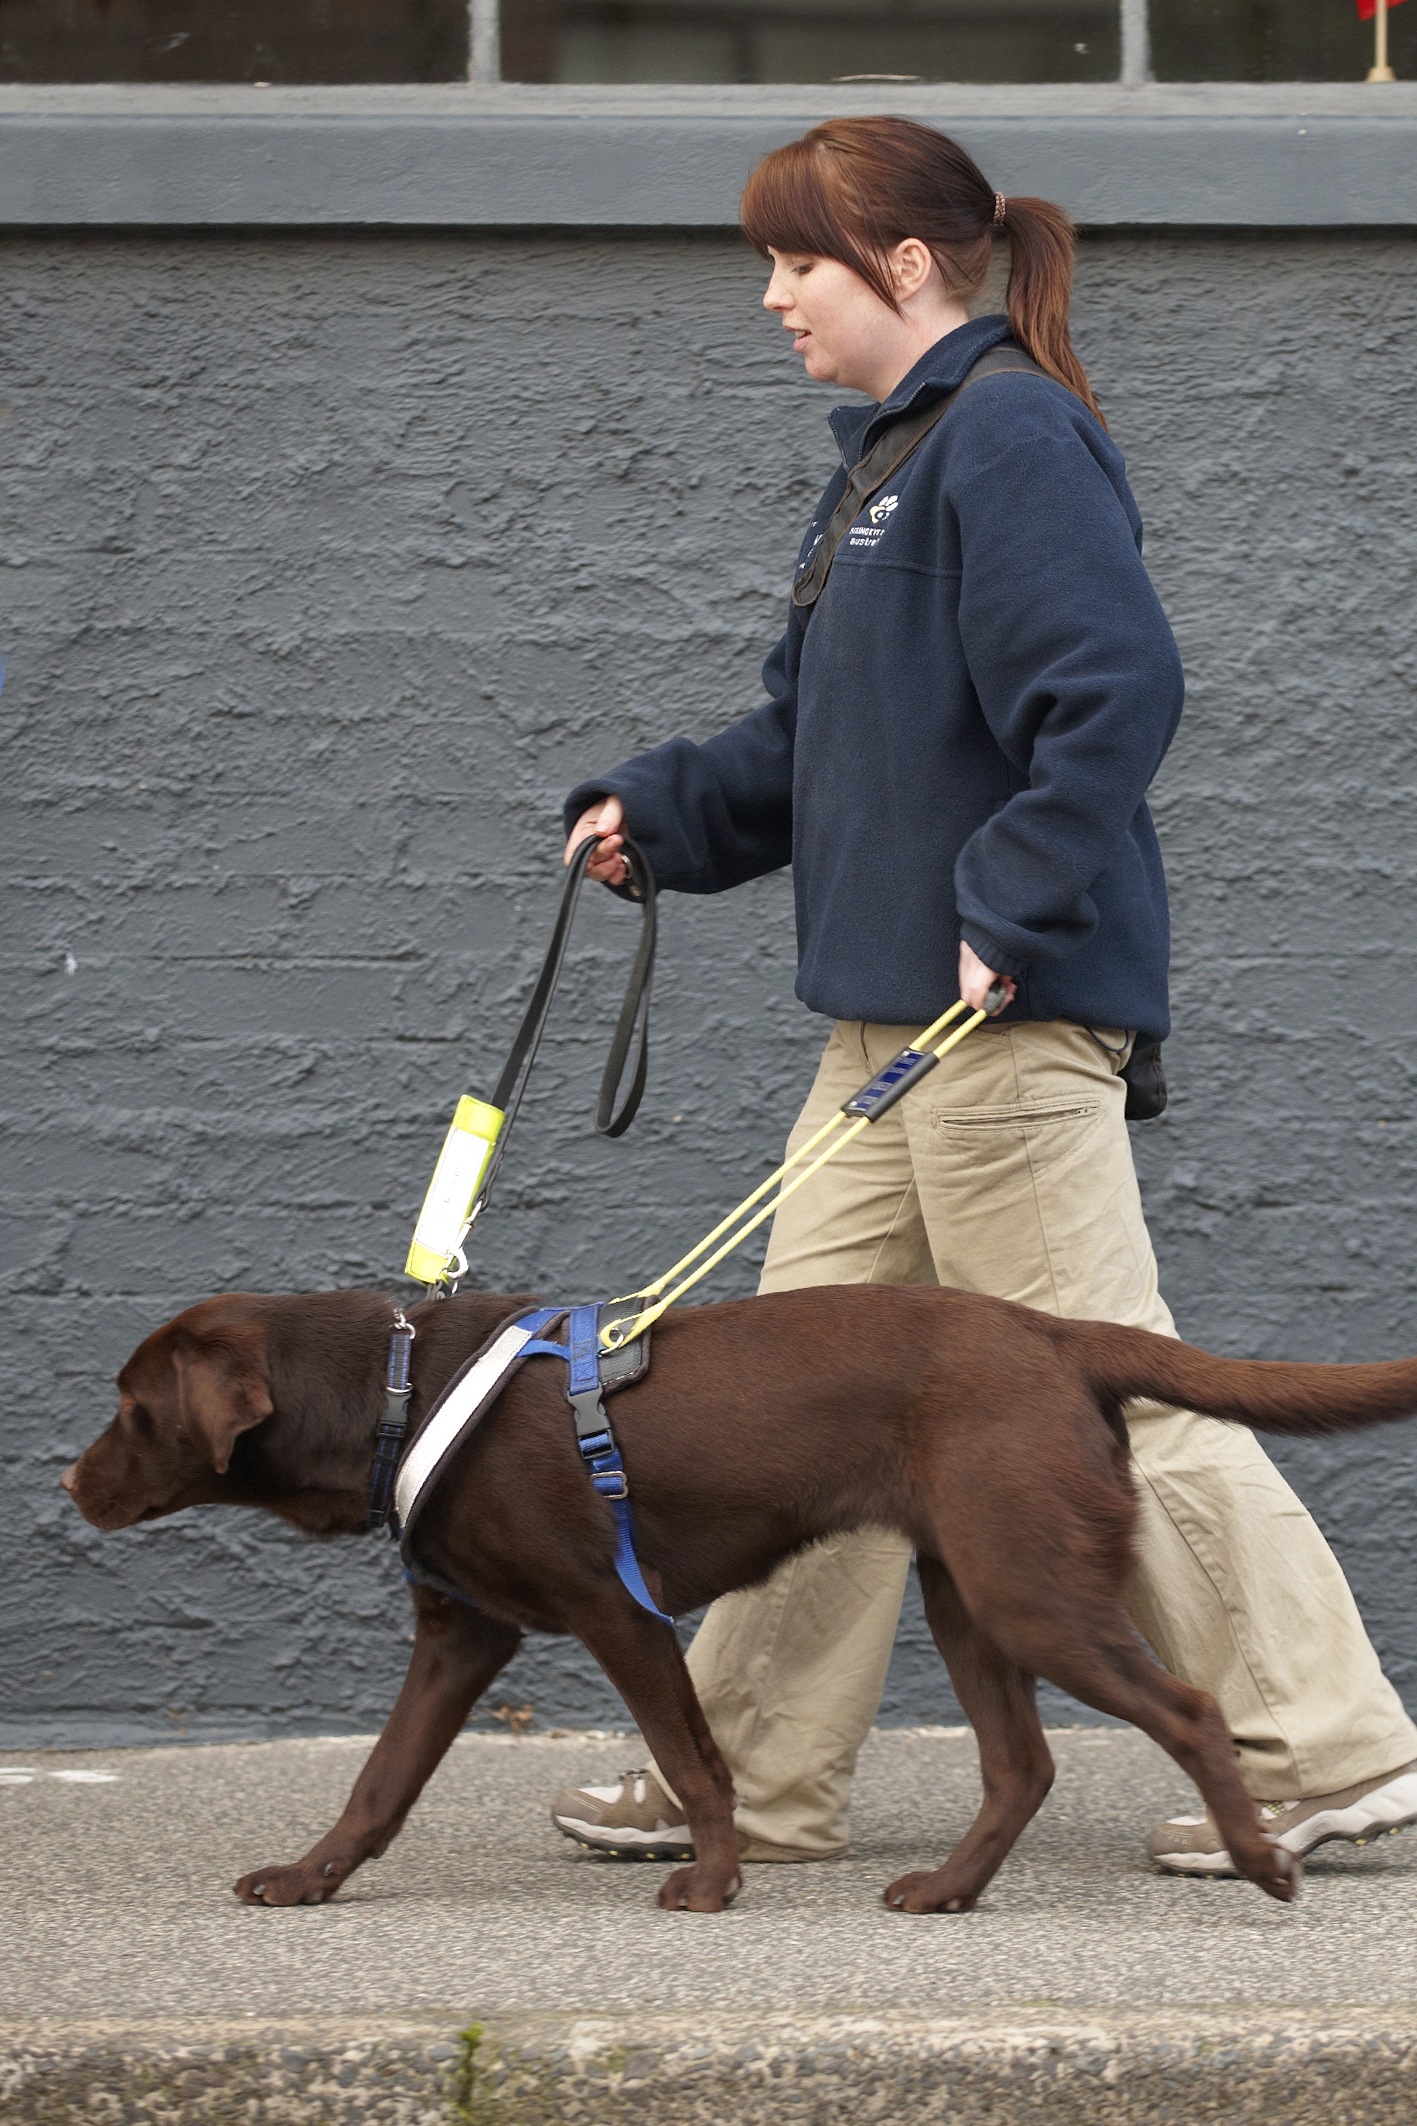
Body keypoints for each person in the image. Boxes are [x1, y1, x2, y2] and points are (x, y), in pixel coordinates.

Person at [549, 117, 1417, 1878]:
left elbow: (1113, 688)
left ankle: (1328, 1746)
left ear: (907, 264)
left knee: (1117, 1393)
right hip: (884, 1032)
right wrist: (661, 812)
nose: (776, 296)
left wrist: (1008, 902)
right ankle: (748, 1777)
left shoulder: (1009, 436)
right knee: (804, 1415)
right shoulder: (888, 459)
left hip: (990, 1033)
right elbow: (815, 747)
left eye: (799, 261)